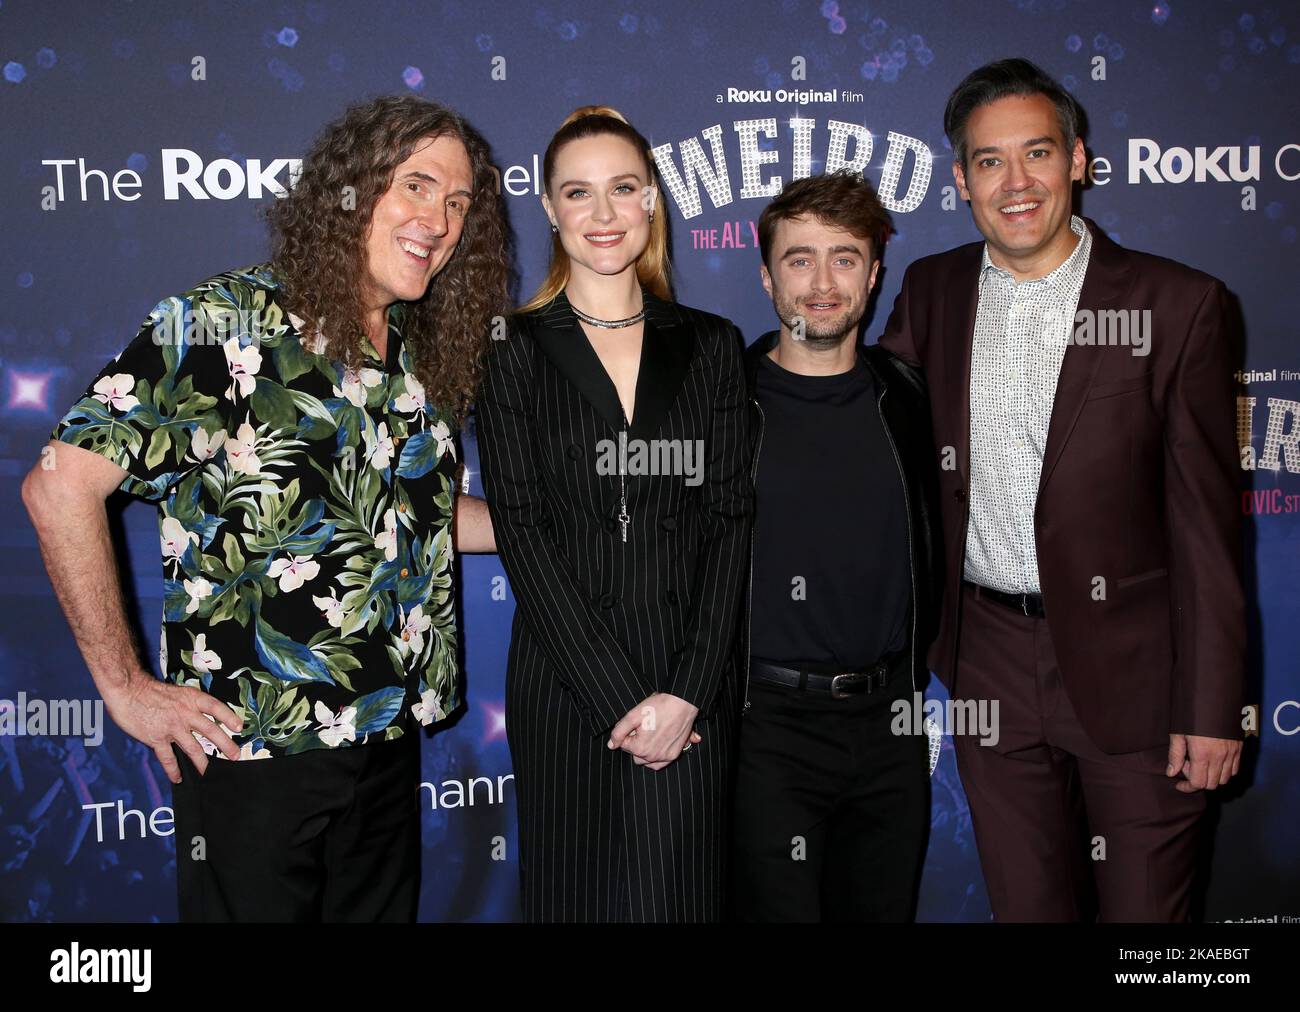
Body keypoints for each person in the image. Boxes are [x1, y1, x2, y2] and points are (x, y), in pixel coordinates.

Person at [21, 95, 510, 922]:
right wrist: (125, 687)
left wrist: (550, 524)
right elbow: (58, 484)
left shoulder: (415, 350)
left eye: (459, 203)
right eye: (418, 187)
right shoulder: (221, 324)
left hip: (388, 737)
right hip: (257, 749)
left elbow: (410, 513)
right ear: (348, 189)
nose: (442, 219)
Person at [878, 58, 1245, 921]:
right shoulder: (933, 290)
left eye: (1037, 153)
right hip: (986, 658)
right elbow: (864, 418)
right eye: (990, 161)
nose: (1017, 182)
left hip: (1140, 674)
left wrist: (1213, 707)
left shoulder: (1177, 304)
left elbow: (1206, 529)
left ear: (1078, 159)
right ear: (961, 178)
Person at [476, 106, 752, 922]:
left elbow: (730, 520)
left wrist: (688, 692)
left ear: (652, 202)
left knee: (682, 901)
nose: (602, 214)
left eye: (622, 189)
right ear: (552, 211)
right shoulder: (512, 349)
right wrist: (618, 699)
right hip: (567, 688)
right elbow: (521, 530)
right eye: (578, 193)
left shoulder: (711, 344)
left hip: (690, 689)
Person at [730, 171, 942, 922]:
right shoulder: (723, 403)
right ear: (766, 275)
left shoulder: (911, 399)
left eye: (845, 258)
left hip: (891, 721)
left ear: (874, 273)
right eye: (799, 259)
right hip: (766, 729)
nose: (822, 282)